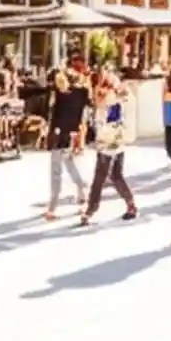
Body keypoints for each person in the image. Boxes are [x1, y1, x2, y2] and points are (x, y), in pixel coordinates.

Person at [78, 71, 137, 226]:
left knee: (100, 177)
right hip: (116, 143)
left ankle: (90, 210)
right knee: (116, 175)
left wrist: (102, 140)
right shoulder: (114, 100)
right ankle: (131, 205)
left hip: (108, 144)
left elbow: (110, 125)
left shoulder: (109, 102)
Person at [44, 69, 89, 220]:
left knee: (56, 170)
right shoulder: (81, 93)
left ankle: (53, 206)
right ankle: (82, 187)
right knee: (69, 163)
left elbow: (54, 116)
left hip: (59, 134)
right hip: (72, 134)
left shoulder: (59, 95)